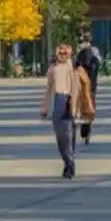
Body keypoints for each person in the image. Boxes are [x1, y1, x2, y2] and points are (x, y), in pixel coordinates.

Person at [41, 43, 82, 180]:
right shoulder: (53, 68)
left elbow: (76, 87)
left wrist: (74, 106)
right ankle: (67, 161)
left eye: (65, 53)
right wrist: (45, 107)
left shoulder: (72, 67)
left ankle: (70, 163)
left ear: (70, 53)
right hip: (57, 100)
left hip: (68, 101)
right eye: (60, 52)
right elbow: (48, 89)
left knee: (68, 135)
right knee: (60, 136)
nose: (62, 55)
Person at [74, 36, 102, 145]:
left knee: (84, 108)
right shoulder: (93, 55)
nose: (80, 44)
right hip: (90, 86)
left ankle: (84, 132)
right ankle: (85, 132)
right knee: (87, 109)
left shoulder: (85, 54)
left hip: (84, 85)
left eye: (82, 42)